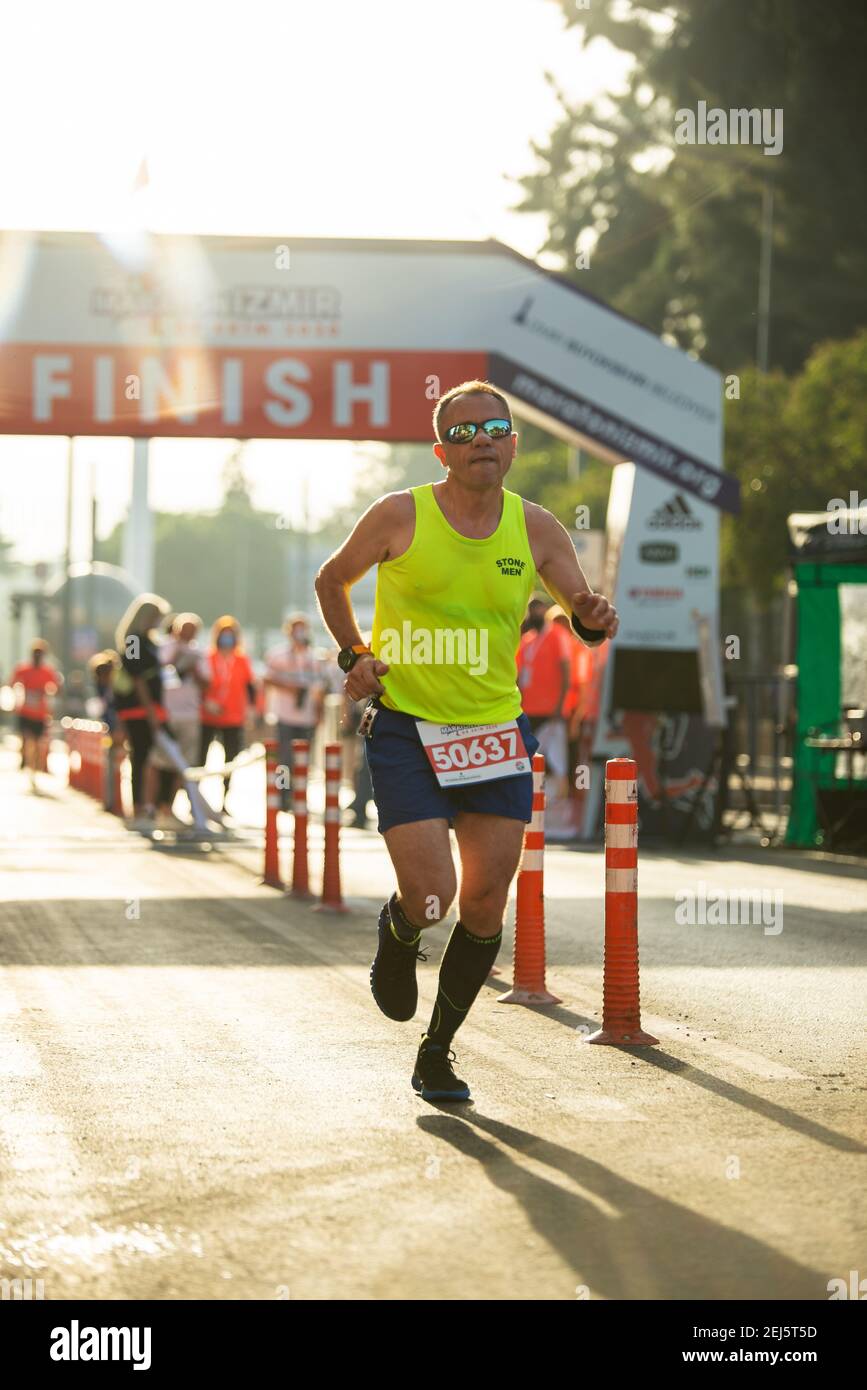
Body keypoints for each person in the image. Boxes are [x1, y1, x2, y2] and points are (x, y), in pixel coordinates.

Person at [314, 378, 617, 1101]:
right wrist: (355, 657)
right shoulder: (399, 515)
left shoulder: (537, 527)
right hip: (408, 728)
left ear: (513, 442)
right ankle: (399, 928)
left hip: (492, 734)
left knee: (484, 905)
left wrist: (591, 613)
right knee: (431, 897)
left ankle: (437, 1051)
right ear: (440, 450)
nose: (480, 440)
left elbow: (578, 609)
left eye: (494, 428)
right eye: (463, 432)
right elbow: (333, 580)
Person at [113, 593, 176, 830]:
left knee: (162, 755)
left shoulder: (150, 641)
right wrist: (149, 708)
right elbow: (135, 675)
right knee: (141, 756)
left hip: (154, 707)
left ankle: (158, 804)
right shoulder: (133, 640)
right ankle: (139, 805)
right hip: (137, 708)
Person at [264, 613, 325, 811]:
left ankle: (299, 796)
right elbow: (267, 679)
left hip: (306, 718)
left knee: (304, 761)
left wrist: (319, 714)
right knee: (284, 760)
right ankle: (282, 797)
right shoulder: (278, 654)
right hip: (284, 715)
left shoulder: (314, 657)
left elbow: (319, 689)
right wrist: (290, 687)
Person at [199, 616, 256, 810]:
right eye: (223, 636)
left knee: (230, 760)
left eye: (230, 636)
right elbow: (199, 685)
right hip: (209, 715)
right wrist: (206, 702)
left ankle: (224, 802)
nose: (227, 640)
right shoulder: (208, 658)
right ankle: (196, 801)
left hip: (233, 716)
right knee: (201, 758)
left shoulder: (241, 660)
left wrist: (253, 712)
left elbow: (250, 687)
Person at [10, 639, 62, 787]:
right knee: (27, 740)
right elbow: (12, 684)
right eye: (35, 653)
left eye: (40, 654)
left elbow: (57, 689)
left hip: (40, 714)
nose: (37, 656)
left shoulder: (48, 672)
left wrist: (47, 692)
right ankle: (26, 762)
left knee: (38, 743)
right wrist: (17, 695)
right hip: (25, 711)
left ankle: (33, 769)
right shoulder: (22, 669)